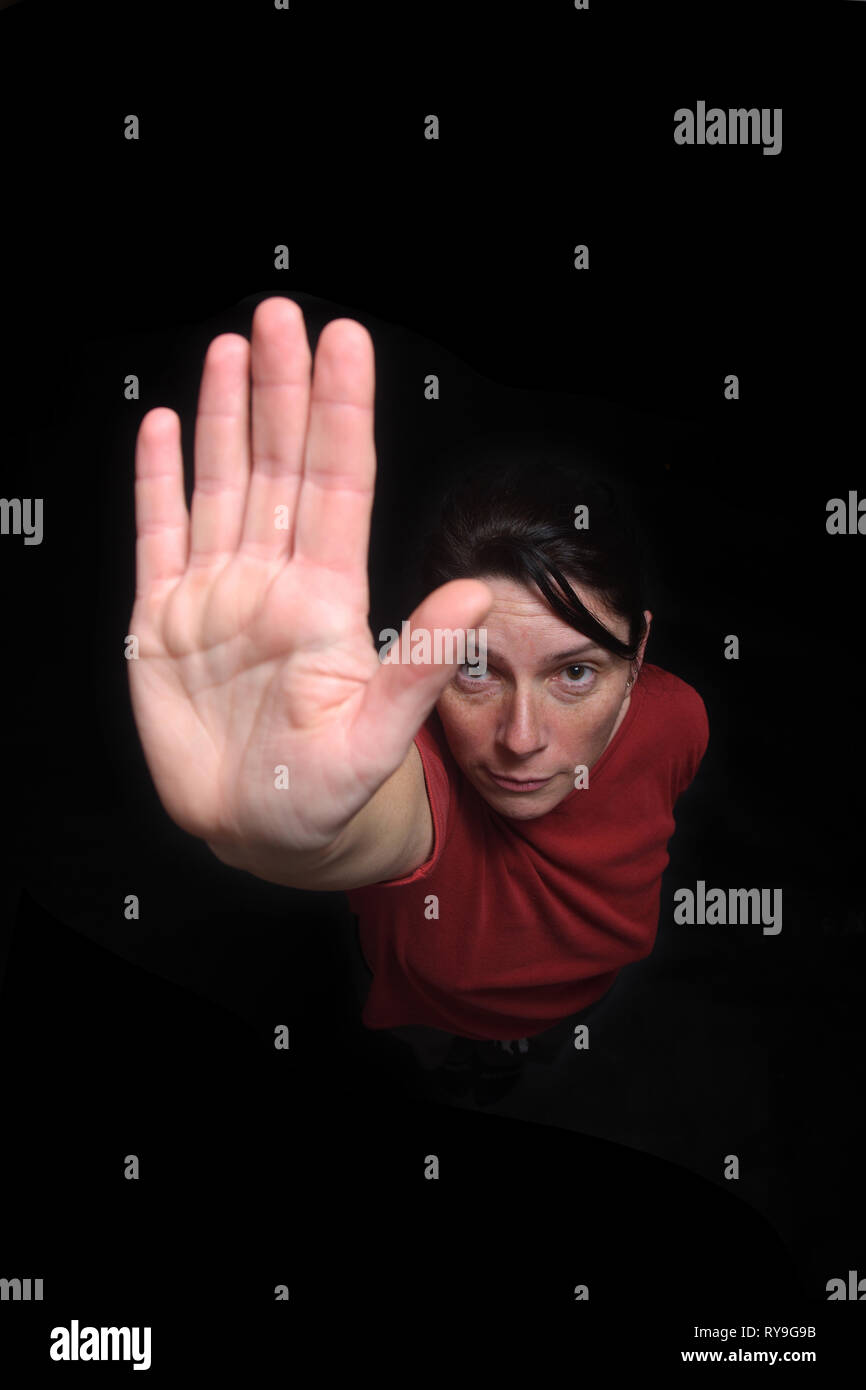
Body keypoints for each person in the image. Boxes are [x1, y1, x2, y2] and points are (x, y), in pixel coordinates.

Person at [127, 296, 709, 1106]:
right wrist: (286, 827)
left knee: (533, 1051)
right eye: (474, 669)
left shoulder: (681, 717)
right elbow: (381, 819)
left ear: (638, 654)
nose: (521, 739)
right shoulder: (412, 763)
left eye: (575, 673)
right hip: (427, 1010)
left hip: (588, 996)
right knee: (445, 1066)